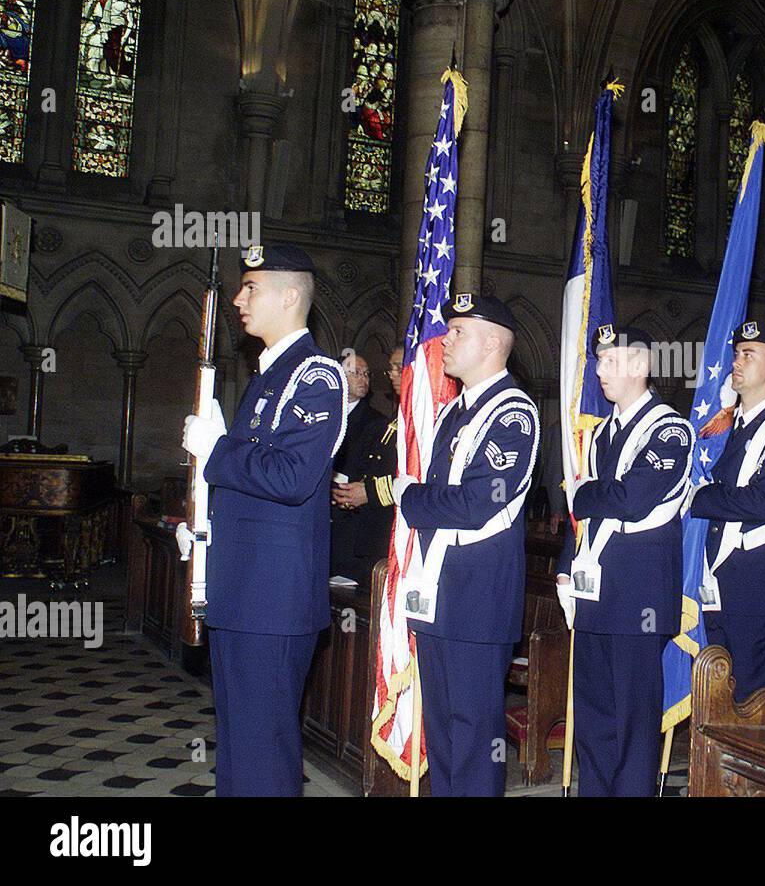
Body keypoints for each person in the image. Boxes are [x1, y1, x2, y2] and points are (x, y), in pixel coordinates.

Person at [180, 243, 346, 796]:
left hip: (273, 599)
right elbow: (253, 491)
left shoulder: (315, 376)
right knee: (240, 746)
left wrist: (218, 449)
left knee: (263, 752)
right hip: (246, 588)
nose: (237, 299)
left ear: (290, 296)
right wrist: (206, 531)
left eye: (251, 287)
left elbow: (291, 478)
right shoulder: (270, 376)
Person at [391, 294, 539, 796]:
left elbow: (475, 502)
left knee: (474, 734)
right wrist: (428, 498)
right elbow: (448, 495)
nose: (445, 340)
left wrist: (411, 498)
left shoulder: (513, 414)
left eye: (458, 333)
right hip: (438, 590)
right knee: (444, 731)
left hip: (476, 594)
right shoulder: (456, 411)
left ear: (494, 343)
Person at [556, 326, 693, 796]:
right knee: (595, 715)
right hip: (593, 588)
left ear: (640, 366)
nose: (599, 370)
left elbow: (632, 499)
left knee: (634, 720)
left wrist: (585, 495)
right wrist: (564, 562)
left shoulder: (670, 429)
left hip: (638, 595)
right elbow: (583, 513)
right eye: (598, 360)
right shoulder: (600, 435)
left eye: (610, 361)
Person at [688, 319, 765, 701]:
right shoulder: (725, 425)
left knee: (747, 698)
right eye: (737, 354)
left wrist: (698, 498)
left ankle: (748, 764)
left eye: (748, 355)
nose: (736, 363)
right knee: (709, 693)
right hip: (712, 577)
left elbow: (762, 501)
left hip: (754, 583)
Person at [329, 352, 394, 583]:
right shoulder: (324, 414)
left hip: (351, 518)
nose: (363, 379)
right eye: (356, 373)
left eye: (366, 374)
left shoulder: (377, 423)